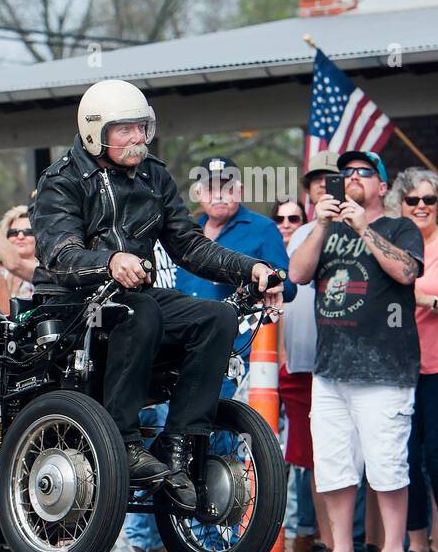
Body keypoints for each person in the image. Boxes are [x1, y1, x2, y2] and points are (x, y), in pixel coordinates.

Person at [31, 79, 280, 509]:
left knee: (217, 317)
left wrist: (251, 268)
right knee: (140, 308)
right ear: (95, 132)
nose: (137, 138)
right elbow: (59, 252)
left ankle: (179, 443)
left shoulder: (154, 176)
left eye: (142, 127)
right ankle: (125, 444)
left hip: (134, 297)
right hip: (70, 303)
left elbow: (189, 244)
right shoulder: (62, 180)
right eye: (124, 129)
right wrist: (109, 261)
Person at [291, 151, 424, 552]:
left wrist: (364, 228)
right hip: (330, 367)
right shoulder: (324, 231)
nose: (351, 179)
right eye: (345, 173)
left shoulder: (399, 226)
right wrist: (324, 224)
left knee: (386, 462)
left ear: (382, 187)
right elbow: (296, 274)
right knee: (333, 462)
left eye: (363, 173)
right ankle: (342, 550)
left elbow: (406, 272)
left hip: (385, 367)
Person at [277, 153, 339, 552]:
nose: (323, 186)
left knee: (349, 454)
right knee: (313, 457)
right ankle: (326, 543)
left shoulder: (353, 228)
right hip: (299, 364)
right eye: (316, 181)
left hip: (339, 362)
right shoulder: (302, 236)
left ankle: (362, 542)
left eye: (330, 180)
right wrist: (283, 356)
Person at [390, 167, 438, 552]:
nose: (422, 207)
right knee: (406, 458)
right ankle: (417, 544)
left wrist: (427, 300)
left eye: (429, 200)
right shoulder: (395, 244)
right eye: (414, 201)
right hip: (399, 367)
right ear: (401, 205)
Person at [175, 155, 293, 307]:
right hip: (187, 326)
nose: (218, 195)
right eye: (210, 188)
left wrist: (251, 278)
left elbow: (289, 288)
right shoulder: (186, 230)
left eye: (227, 188)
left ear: (240, 191)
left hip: (239, 327)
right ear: (198, 194)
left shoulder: (263, 228)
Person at [0, 205, 39, 301]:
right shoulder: (1, 274)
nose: (20, 236)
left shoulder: (44, 271)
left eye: (28, 232)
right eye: (13, 232)